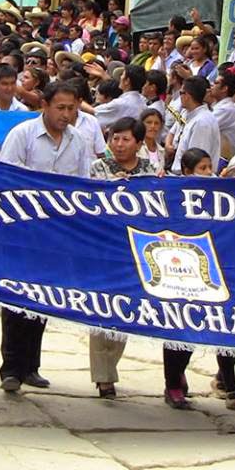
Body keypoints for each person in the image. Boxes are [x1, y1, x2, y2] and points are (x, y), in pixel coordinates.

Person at [0, 82, 92, 392]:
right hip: (23, 229)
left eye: (72, 108)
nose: (66, 115)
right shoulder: (23, 134)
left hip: (58, 232)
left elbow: (83, 184)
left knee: (43, 297)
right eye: (61, 108)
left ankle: (31, 367)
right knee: (16, 296)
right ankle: (11, 368)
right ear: (45, 105)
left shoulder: (78, 140)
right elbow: (6, 178)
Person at [87, 117, 154, 398]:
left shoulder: (149, 170)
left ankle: (111, 366)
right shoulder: (98, 168)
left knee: (123, 310)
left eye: (126, 139)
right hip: (103, 248)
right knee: (101, 309)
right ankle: (103, 377)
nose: (119, 144)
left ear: (139, 144)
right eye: (115, 138)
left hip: (135, 249)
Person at [163, 147, 213, 410]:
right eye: (202, 168)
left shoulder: (216, 196)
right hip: (176, 270)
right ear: (186, 171)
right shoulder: (174, 193)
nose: (208, 173)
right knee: (176, 328)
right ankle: (172, 384)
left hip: (202, 272)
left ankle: (179, 374)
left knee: (193, 330)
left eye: (209, 167)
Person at [169, 76, 220, 174]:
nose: (180, 97)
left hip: (193, 181)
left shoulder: (202, 122)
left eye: (181, 93)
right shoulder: (188, 114)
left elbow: (198, 163)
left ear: (187, 95)